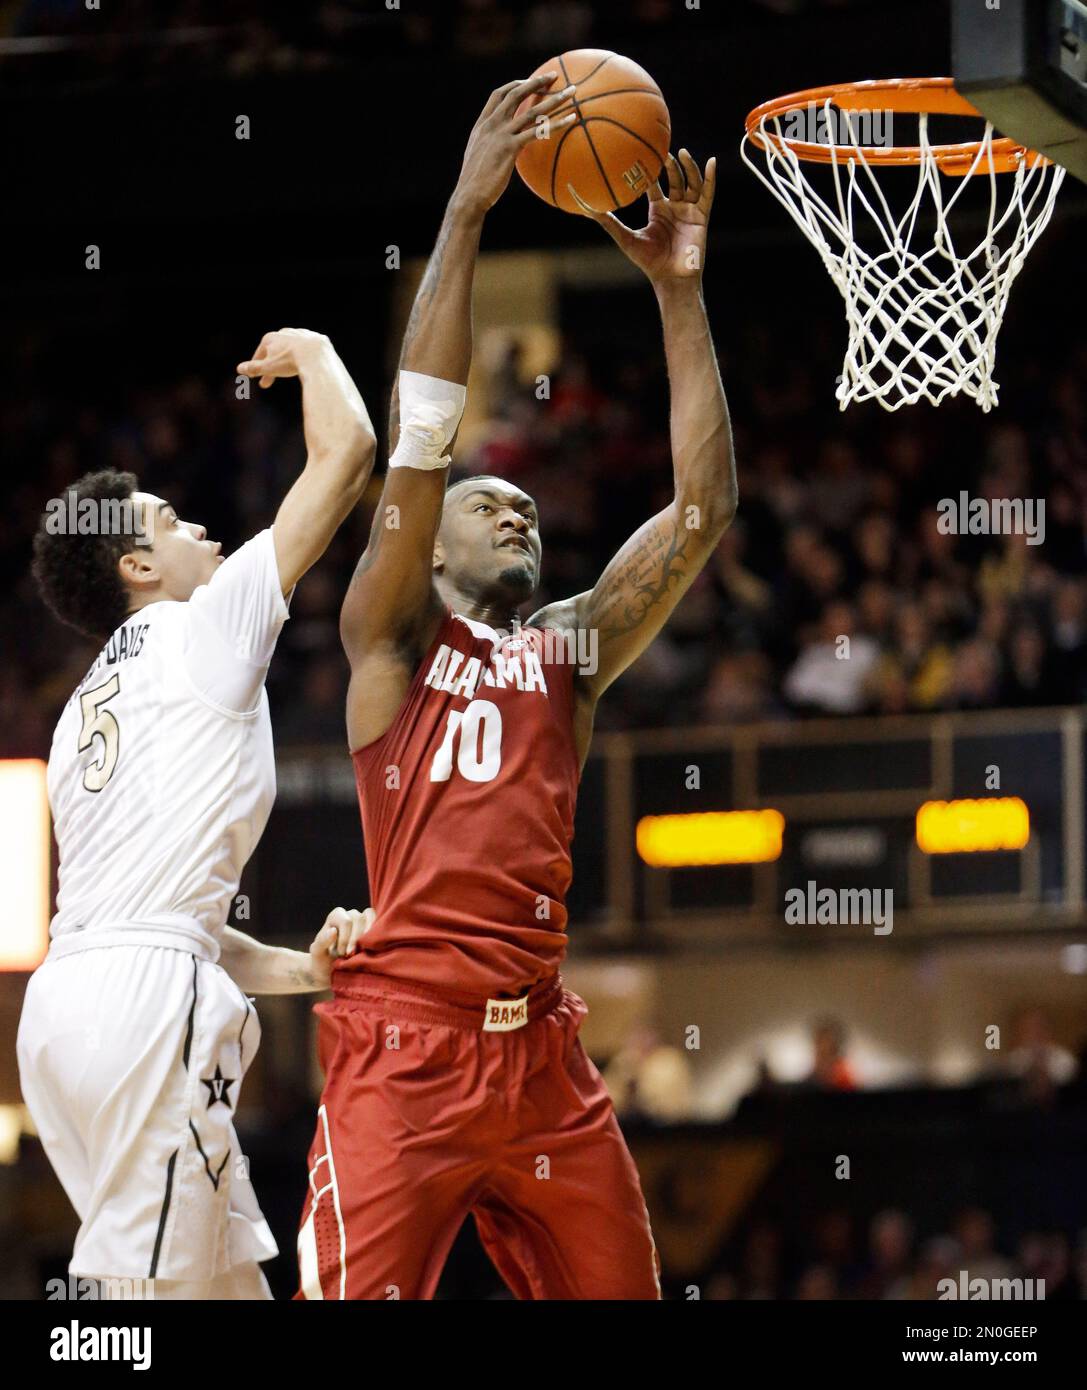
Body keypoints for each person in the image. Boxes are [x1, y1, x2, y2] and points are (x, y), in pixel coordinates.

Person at [296, 75, 737, 1300]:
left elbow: (702, 516)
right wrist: (467, 207)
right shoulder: (390, 636)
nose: (518, 512)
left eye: (533, 509)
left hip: (543, 1057)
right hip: (407, 1053)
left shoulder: (570, 655)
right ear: (430, 546)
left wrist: (679, 294)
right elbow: (425, 435)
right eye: (492, 505)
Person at [18, 328, 378, 1300]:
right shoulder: (201, 625)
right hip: (144, 1009)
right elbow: (346, 456)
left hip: (66, 1012)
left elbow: (173, 920)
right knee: (122, 1307)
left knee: (217, 1284)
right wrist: (313, 349)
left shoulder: (74, 712)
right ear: (137, 565)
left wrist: (307, 970)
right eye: (172, 521)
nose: (202, 531)